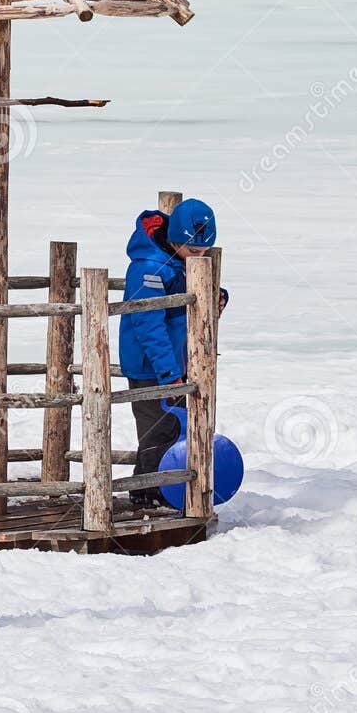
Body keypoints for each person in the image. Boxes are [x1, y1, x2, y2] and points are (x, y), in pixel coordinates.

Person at [117, 199, 227, 507]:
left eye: (204, 251)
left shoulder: (179, 263)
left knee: (177, 427)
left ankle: (166, 488)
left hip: (177, 364)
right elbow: (148, 324)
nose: (199, 256)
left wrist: (217, 296)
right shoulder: (148, 269)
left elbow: (187, 302)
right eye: (193, 250)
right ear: (175, 238)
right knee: (158, 429)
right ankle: (146, 491)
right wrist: (168, 373)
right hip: (151, 367)